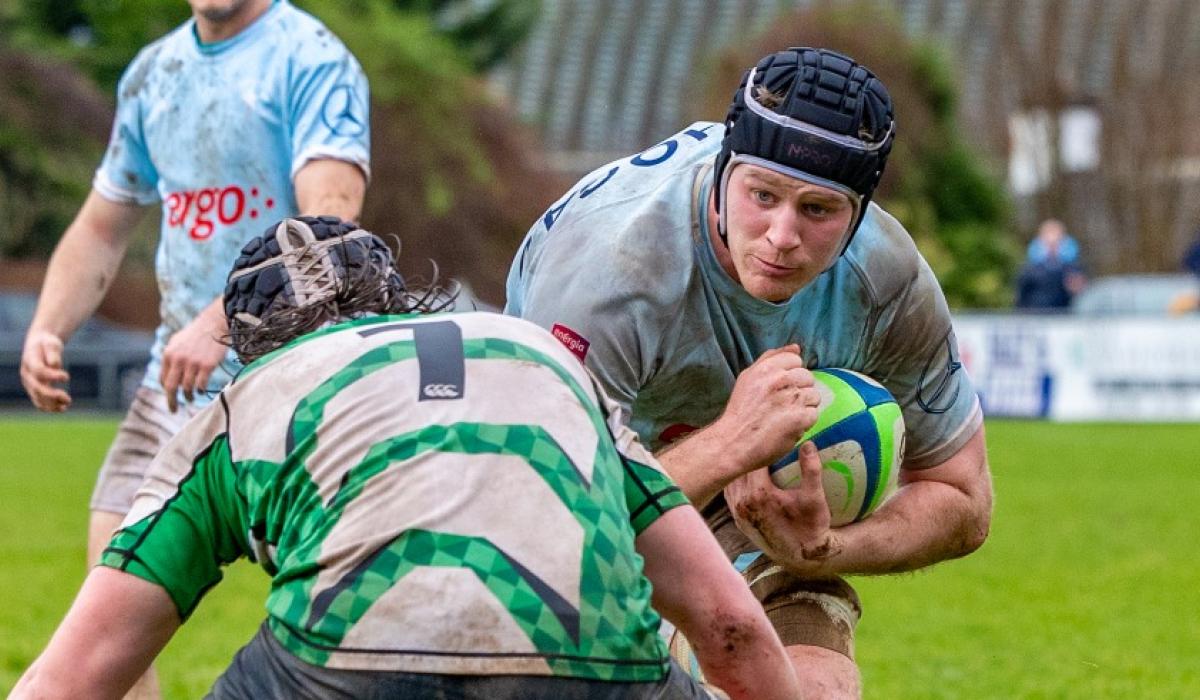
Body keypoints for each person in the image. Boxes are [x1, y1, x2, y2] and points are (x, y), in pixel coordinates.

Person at [11, 216, 801, 700]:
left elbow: (73, 680)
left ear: (251, 350)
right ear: (396, 299)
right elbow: (729, 624)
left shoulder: (245, 404)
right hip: (596, 667)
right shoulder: (543, 359)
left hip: (345, 665)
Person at [505, 47, 993, 698]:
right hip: (555, 494)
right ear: (723, 173)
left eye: (818, 210)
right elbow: (542, 519)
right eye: (762, 196)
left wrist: (819, 550)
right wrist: (733, 442)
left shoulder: (886, 279)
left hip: (753, 506)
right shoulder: (614, 276)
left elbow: (964, 498)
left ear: (857, 215)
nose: (782, 235)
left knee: (811, 684)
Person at [18, 2, 368, 695]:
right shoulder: (154, 73)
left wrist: (221, 321)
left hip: (299, 381)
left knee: (347, 609)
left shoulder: (313, 59)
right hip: (171, 387)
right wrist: (47, 327)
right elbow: (101, 227)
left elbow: (328, 225)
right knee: (109, 602)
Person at [1014, 218, 1087, 310]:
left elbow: (1083, 295)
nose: (1052, 247)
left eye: (1056, 242)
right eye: (1048, 243)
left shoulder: (1074, 268)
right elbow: (1021, 297)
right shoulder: (1029, 269)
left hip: (1065, 316)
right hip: (1036, 316)